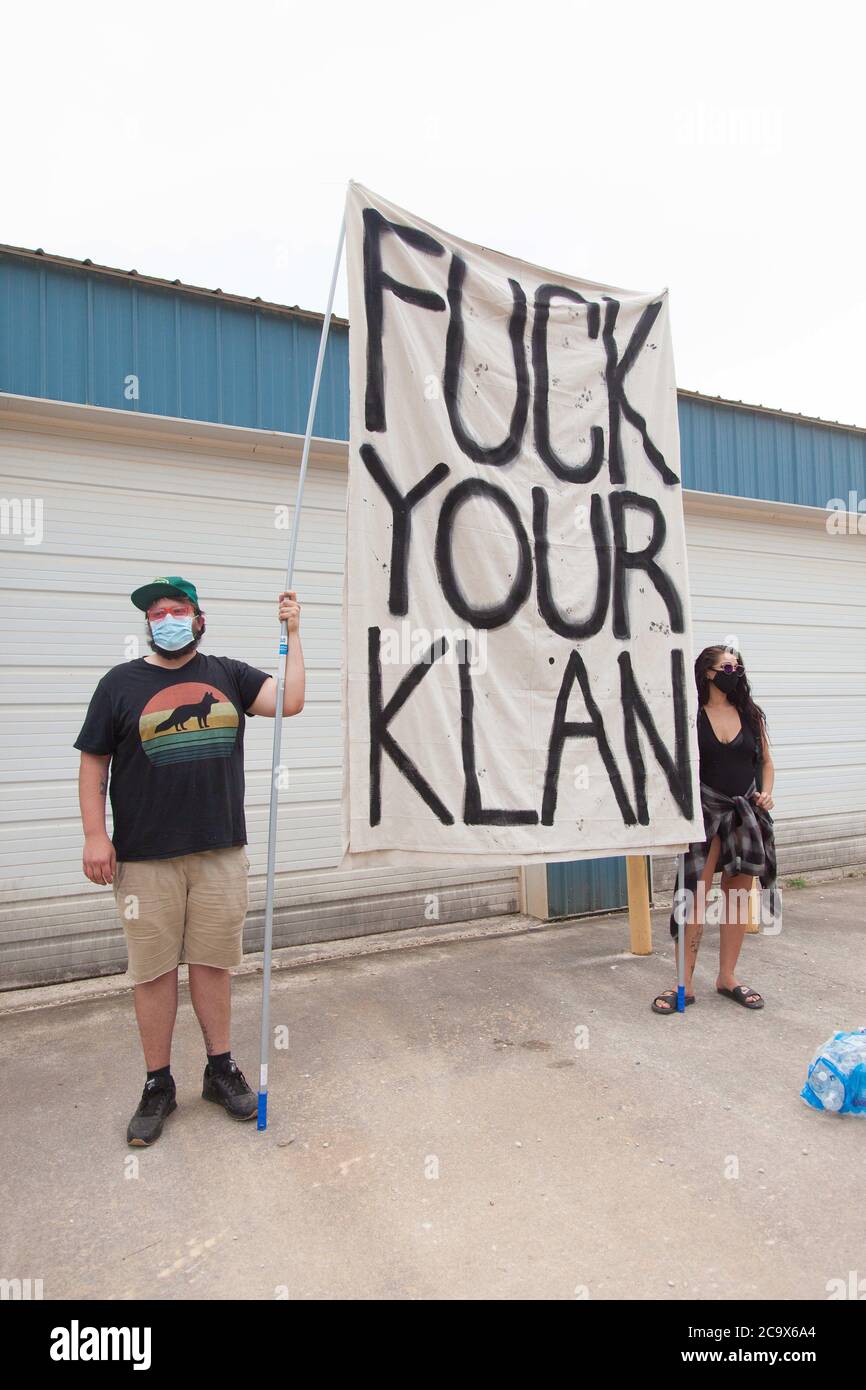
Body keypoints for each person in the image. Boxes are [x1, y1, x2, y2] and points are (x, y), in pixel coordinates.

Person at [74, 576, 304, 1144]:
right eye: (157, 613)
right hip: (144, 858)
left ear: (199, 618)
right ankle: (158, 1085)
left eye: (178, 610)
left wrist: (294, 634)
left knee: (212, 963)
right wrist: (94, 836)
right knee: (152, 973)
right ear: (147, 625)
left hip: (219, 850)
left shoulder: (228, 675)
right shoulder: (119, 684)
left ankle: (220, 1070)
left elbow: (291, 701)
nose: (167, 619)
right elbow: (93, 763)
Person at [652, 645, 779, 1016]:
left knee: (738, 899)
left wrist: (766, 793)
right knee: (693, 896)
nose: (735, 670)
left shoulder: (751, 715)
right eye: (727, 665)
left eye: (738, 665)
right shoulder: (691, 716)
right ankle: (684, 984)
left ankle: (727, 977)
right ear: (708, 672)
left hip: (745, 813)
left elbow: (767, 763)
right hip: (705, 814)